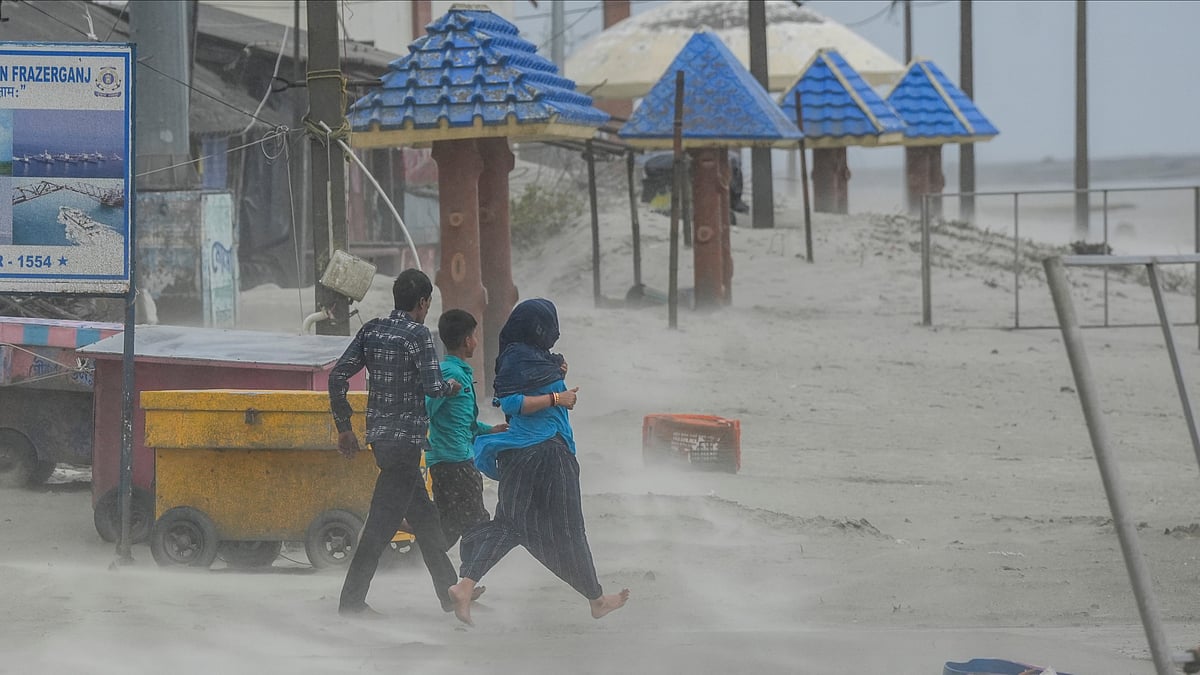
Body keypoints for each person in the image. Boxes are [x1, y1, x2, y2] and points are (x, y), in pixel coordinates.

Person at [447, 298, 630, 626]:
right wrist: (558, 397)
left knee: (509, 524)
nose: (553, 333)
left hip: (520, 454)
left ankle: (465, 586)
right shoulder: (523, 359)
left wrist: (557, 377)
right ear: (537, 328)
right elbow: (512, 403)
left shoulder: (525, 358)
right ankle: (597, 600)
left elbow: (522, 388)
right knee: (570, 529)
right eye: (548, 327)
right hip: (547, 453)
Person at [328, 269, 469, 618]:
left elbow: (337, 375)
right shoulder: (418, 335)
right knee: (379, 527)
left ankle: (451, 594)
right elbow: (434, 387)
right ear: (422, 302)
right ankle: (351, 603)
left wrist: (344, 427)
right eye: (428, 304)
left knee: (426, 520)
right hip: (406, 443)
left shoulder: (372, 329)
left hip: (381, 440)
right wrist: (452, 388)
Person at [425, 309, 507, 548]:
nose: (476, 341)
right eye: (475, 335)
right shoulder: (450, 373)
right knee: (477, 523)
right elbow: (425, 409)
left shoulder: (460, 372)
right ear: (467, 341)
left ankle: (392, 525)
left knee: (447, 527)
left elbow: (464, 422)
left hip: (453, 458)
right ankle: (471, 572)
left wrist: (489, 430)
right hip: (454, 461)